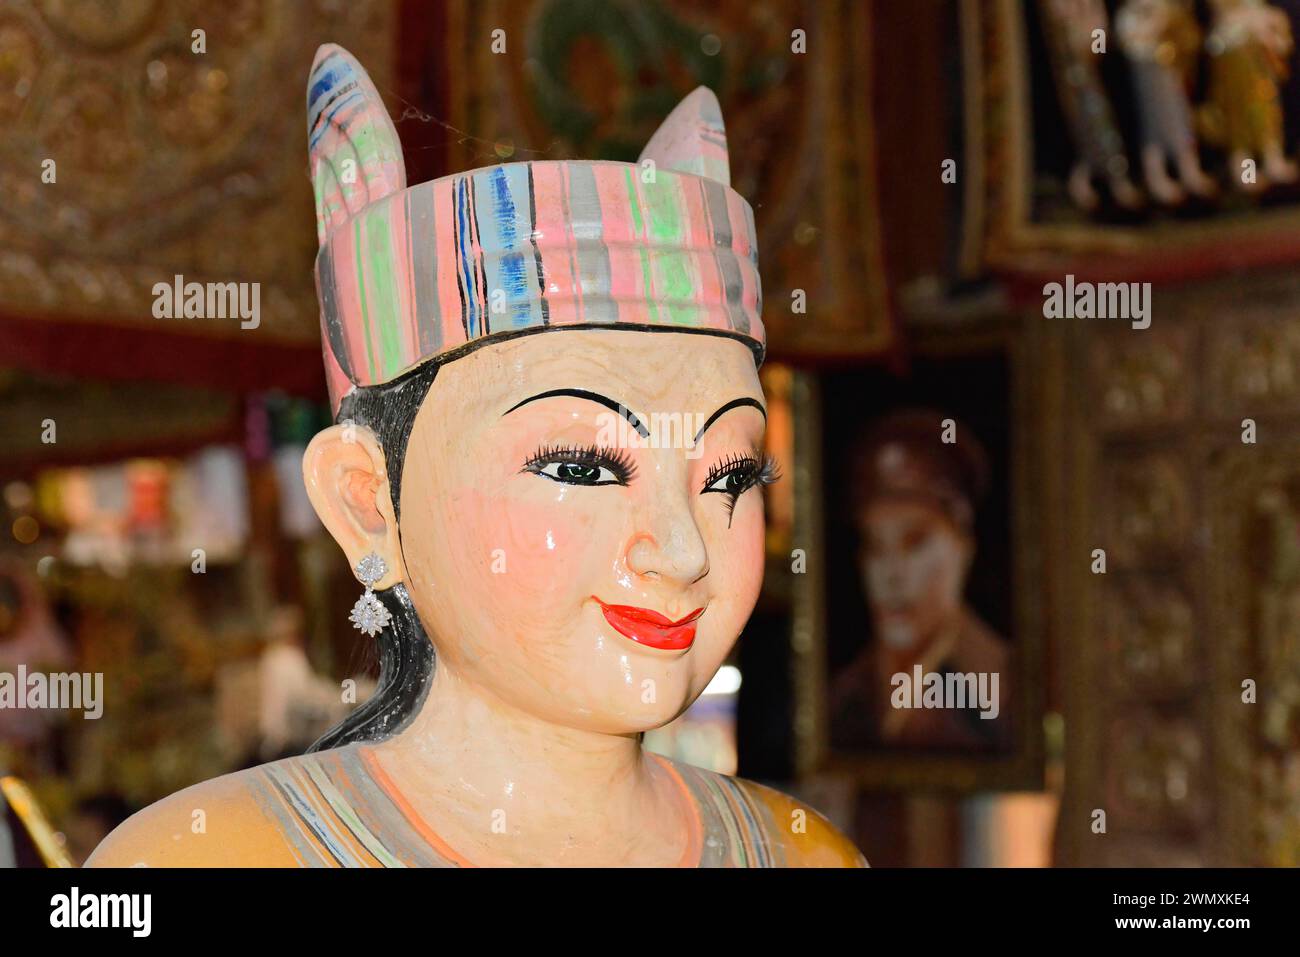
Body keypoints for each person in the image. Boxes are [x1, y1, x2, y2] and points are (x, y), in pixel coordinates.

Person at [87, 44, 863, 867]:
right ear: (367, 502)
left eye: (729, 477)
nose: (680, 549)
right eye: (581, 467)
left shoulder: (800, 854)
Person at [830, 411, 1012, 751]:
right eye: (876, 546)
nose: (892, 575)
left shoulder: (1009, 687)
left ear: (963, 547)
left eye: (915, 543)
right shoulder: (843, 698)